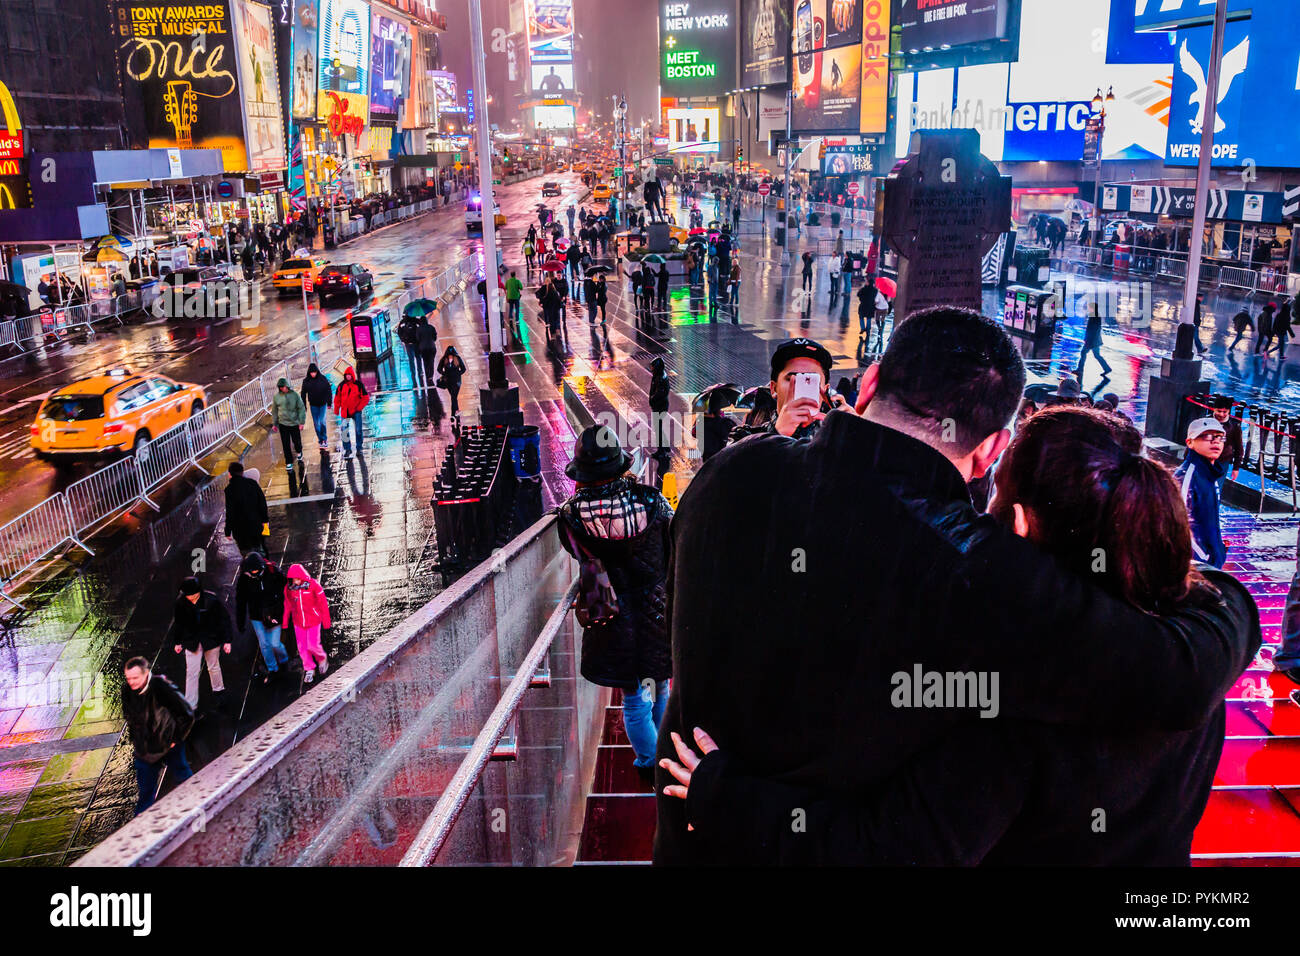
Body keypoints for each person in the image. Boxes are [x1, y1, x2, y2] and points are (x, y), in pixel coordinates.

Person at [652, 306, 1259, 866]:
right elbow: (1177, 674)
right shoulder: (984, 575)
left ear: (870, 383)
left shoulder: (727, 473)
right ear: (991, 448)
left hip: (686, 839)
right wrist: (1224, 599)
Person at [556, 425, 674, 785]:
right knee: (661, 688)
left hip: (610, 616)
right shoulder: (652, 501)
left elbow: (576, 553)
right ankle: (668, 759)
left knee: (634, 698)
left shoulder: (571, 515)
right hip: (656, 611)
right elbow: (672, 543)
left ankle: (649, 765)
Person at [123, 656, 194, 815]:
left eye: (135, 678)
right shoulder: (127, 691)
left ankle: (196, 808)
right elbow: (130, 717)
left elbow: (186, 714)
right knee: (145, 793)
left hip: (168, 744)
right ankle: (143, 824)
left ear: (146, 673)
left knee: (183, 777)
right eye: (128, 678)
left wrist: (175, 739)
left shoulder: (161, 687)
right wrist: (137, 741)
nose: (131, 682)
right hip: (145, 749)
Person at [170, 576, 232, 711]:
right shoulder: (180, 603)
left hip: (211, 639)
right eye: (187, 595)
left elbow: (224, 619)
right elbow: (179, 623)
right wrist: (178, 642)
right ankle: (191, 703)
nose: (190, 598)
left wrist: (227, 640)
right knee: (191, 672)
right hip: (192, 640)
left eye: (192, 595)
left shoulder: (212, 600)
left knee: (213, 667)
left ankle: (218, 691)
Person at [1175, 416, 1228, 568]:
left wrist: (1219, 551)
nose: (1215, 442)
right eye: (1207, 436)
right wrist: (1204, 559)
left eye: (1219, 437)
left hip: (1211, 564)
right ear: (1190, 442)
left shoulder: (1211, 475)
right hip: (1197, 567)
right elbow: (1179, 527)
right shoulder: (1186, 476)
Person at [235, 551, 289, 682]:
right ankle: (272, 669)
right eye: (251, 572)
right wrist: (240, 622)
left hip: (274, 613)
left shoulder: (273, 572)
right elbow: (240, 602)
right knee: (264, 644)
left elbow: (286, 589)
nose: (254, 574)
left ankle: (284, 660)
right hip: (257, 616)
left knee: (275, 643)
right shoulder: (244, 579)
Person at [283, 563, 331, 684]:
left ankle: (322, 658)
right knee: (302, 648)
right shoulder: (289, 589)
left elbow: (323, 604)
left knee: (313, 645)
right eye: (294, 579)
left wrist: (326, 621)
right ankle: (309, 668)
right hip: (298, 622)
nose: (296, 582)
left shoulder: (313, 585)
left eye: (298, 579)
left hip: (314, 621)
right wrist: (285, 622)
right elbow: (288, 605)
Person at [224, 460, 268, 554]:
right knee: (259, 549)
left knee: (246, 553)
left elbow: (230, 512)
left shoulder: (229, 490)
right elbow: (262, 503)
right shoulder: (252, 483)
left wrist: (227, 531)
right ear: (242, 472)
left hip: (240, 529)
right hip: (256, 525)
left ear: (230, 474)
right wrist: (265, 520)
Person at [272, 378, 306, 479]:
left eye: (284, 387)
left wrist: (301, 422)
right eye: (281, 387)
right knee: (285, 443)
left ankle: (299, 451)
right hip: (283, 424)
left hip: (294, 423)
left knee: (296, 441)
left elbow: (301, 408)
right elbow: (274, 411)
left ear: (287, 386)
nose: (283, 389)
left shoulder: (295, 395)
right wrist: (275, 424)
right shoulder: (276, 397)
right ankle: (289, 461)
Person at [333, 366, 369, 459]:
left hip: (356, 411)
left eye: (349, 375)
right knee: (344, 431)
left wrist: (359, 408)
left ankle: (359, 448)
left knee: (358, 430)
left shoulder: (358, 385)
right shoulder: (341, 385)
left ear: (352, 375)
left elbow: (365, 397)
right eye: (346, 375)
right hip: (345, 412)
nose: (348, 377)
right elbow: (337, 399)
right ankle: (347, 449)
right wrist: (336, 410)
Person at [1209, 395, 1243, 489]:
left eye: (1225, 412)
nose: (1221, 414)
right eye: (1219, 411)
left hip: (1222, 462)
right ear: (1214, 409)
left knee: (1216, 488)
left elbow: (1239, 448)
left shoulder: (1234, 426)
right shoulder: (1206, 421)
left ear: (1229, 411)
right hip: (1205, 459)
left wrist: (1236, 468)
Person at [1074, 301, 1112, 380]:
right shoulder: (1095, 315)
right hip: (1095, 340)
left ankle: (1080, 370)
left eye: (1089, 307)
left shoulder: (1094, 316)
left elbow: (1092, 329)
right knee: (1097, 355)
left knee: (1083, 353)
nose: (1088, 309)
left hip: (1092, 340)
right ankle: (1107, 368)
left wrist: (1088, 340)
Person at [700, 391, 734, 461]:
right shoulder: (723, 422)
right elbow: (727, 435)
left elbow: (694, 434)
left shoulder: (701, 421)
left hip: (704, 453)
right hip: (718, 454)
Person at [649, 356, 672, 450]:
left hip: (660, 407)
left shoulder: (660, 378)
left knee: (658, 429)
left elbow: (659, 393)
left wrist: (652, 399)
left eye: (652, 367)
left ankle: (661, 450)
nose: (651, 369)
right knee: (658, 428)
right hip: (660, 406)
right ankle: (665, 447)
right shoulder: (658, 375)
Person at [438, 346, 467, 419]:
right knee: (454, 398)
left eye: (451, 354)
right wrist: (444, 374)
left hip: (456, 382)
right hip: (448, 382)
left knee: (453, 397)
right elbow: (439, 369)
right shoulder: (444, 359)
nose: (450, 356)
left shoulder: (458, 359)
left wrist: (458, 374)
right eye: (449, 355)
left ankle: (453, 415)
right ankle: (456, 413)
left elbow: (463, 369)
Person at [416, 314, 439, 387]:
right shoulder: (431, 327)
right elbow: (435, 338)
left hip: (423, 348)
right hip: (432, 347)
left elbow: (417, 339)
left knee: (425, 362)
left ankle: (427, 375)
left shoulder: (418, 329)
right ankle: (431, 376)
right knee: (431, 361)